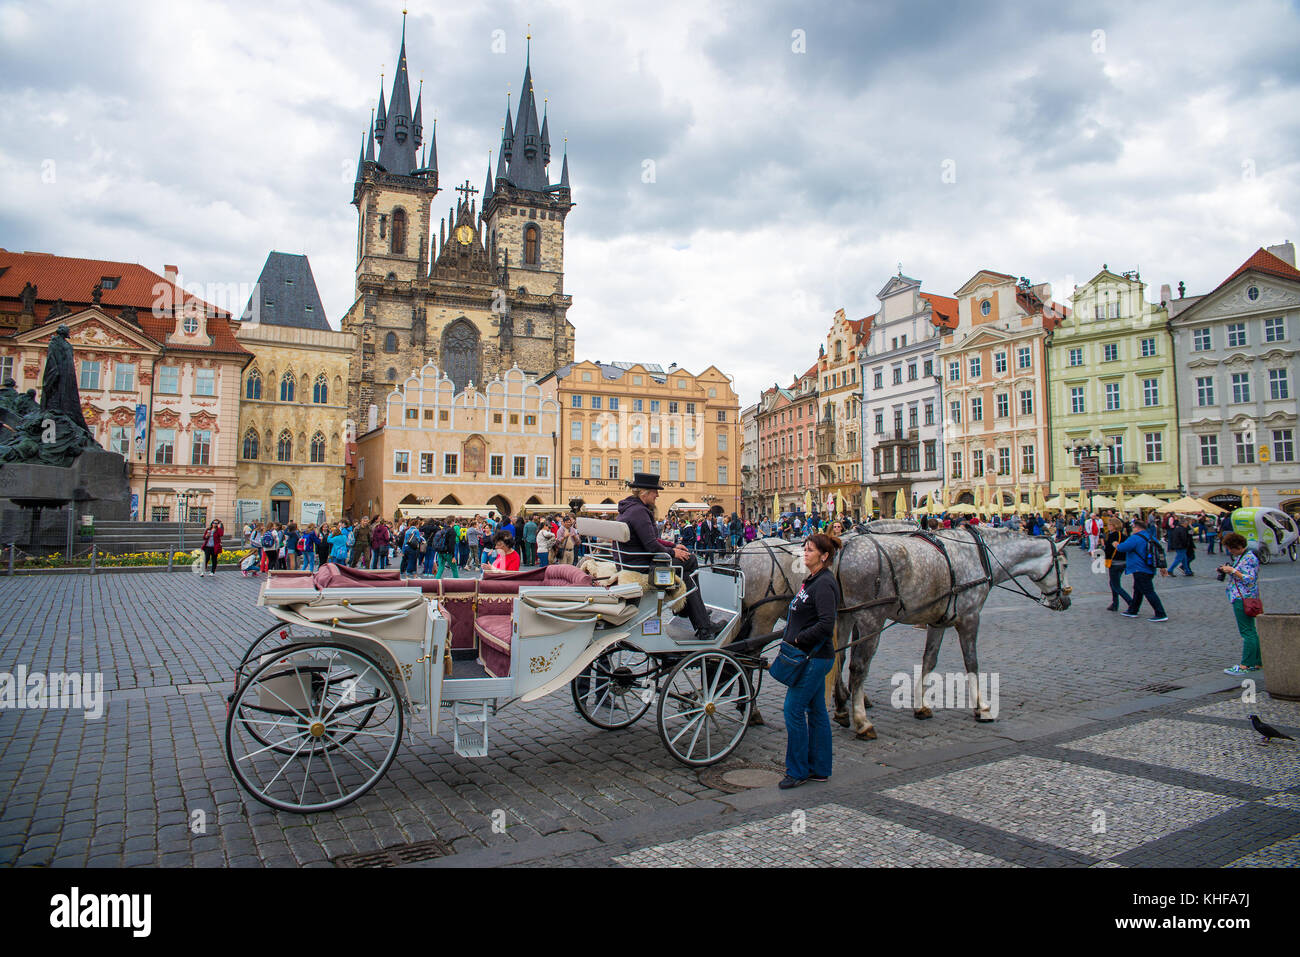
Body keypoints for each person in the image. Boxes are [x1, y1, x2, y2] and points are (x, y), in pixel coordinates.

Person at [774, 533, 842, 789]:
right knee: (816, 712)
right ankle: (820, 768)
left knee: (793, 709)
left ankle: (798, 770)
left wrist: (800, 639)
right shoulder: (812, 580)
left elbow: (826, 624)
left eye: (810, 549)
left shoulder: (824, 583)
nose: (805, 552)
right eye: (805, 547)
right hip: (808, 656)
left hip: (813, 658)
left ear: (823, 556)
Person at [615, 473, 719, 641]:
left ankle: (693, 612)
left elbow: (651, 540)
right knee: (689, 561)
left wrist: (673, 545)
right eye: (655, 491)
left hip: (631, 560)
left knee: (684, 569)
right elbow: (651, 545)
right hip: (639, 564)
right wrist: (673, 552)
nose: (657, 495)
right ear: (645, 493)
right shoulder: (639, 512)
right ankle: (695, 616)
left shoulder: (630, 509)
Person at [1218, 533, 1263, 676]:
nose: (1230, 551)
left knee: (1247, 631)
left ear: (1237, 547)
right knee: (1251, 631)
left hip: (1243, 598)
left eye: (1231, 549)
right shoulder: (1242, 557)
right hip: (1245, 596)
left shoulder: (1249, 558)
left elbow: (1249, 579)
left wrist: (1232, 571)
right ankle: (1256, 661)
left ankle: (1246, 665)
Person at [1115, 515, 1169, 622]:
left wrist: (1116, 544)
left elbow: (1122, 548)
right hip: (1149, 567)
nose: (1132, 529)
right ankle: (1133, 610)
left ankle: (1160, 613)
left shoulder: (1135, 538)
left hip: (1139, 568)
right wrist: (1162, 566)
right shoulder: (1151, 537)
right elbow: (1160, 551)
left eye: (1133, 527)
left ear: (1137, 528)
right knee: (1138, 590)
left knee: (1148, 591)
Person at [1102, 517, 1133, 612]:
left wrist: (1103, 550)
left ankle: (1131, 603)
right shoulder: (1123, 535)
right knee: (1113, 583)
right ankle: (1114, 604)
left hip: (1115, 562)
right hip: (1123, 562)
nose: (1108, 526)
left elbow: (1109, 550)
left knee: (1116, 585)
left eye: (1109, 525)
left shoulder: (1112, 536)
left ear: (1114, 526)